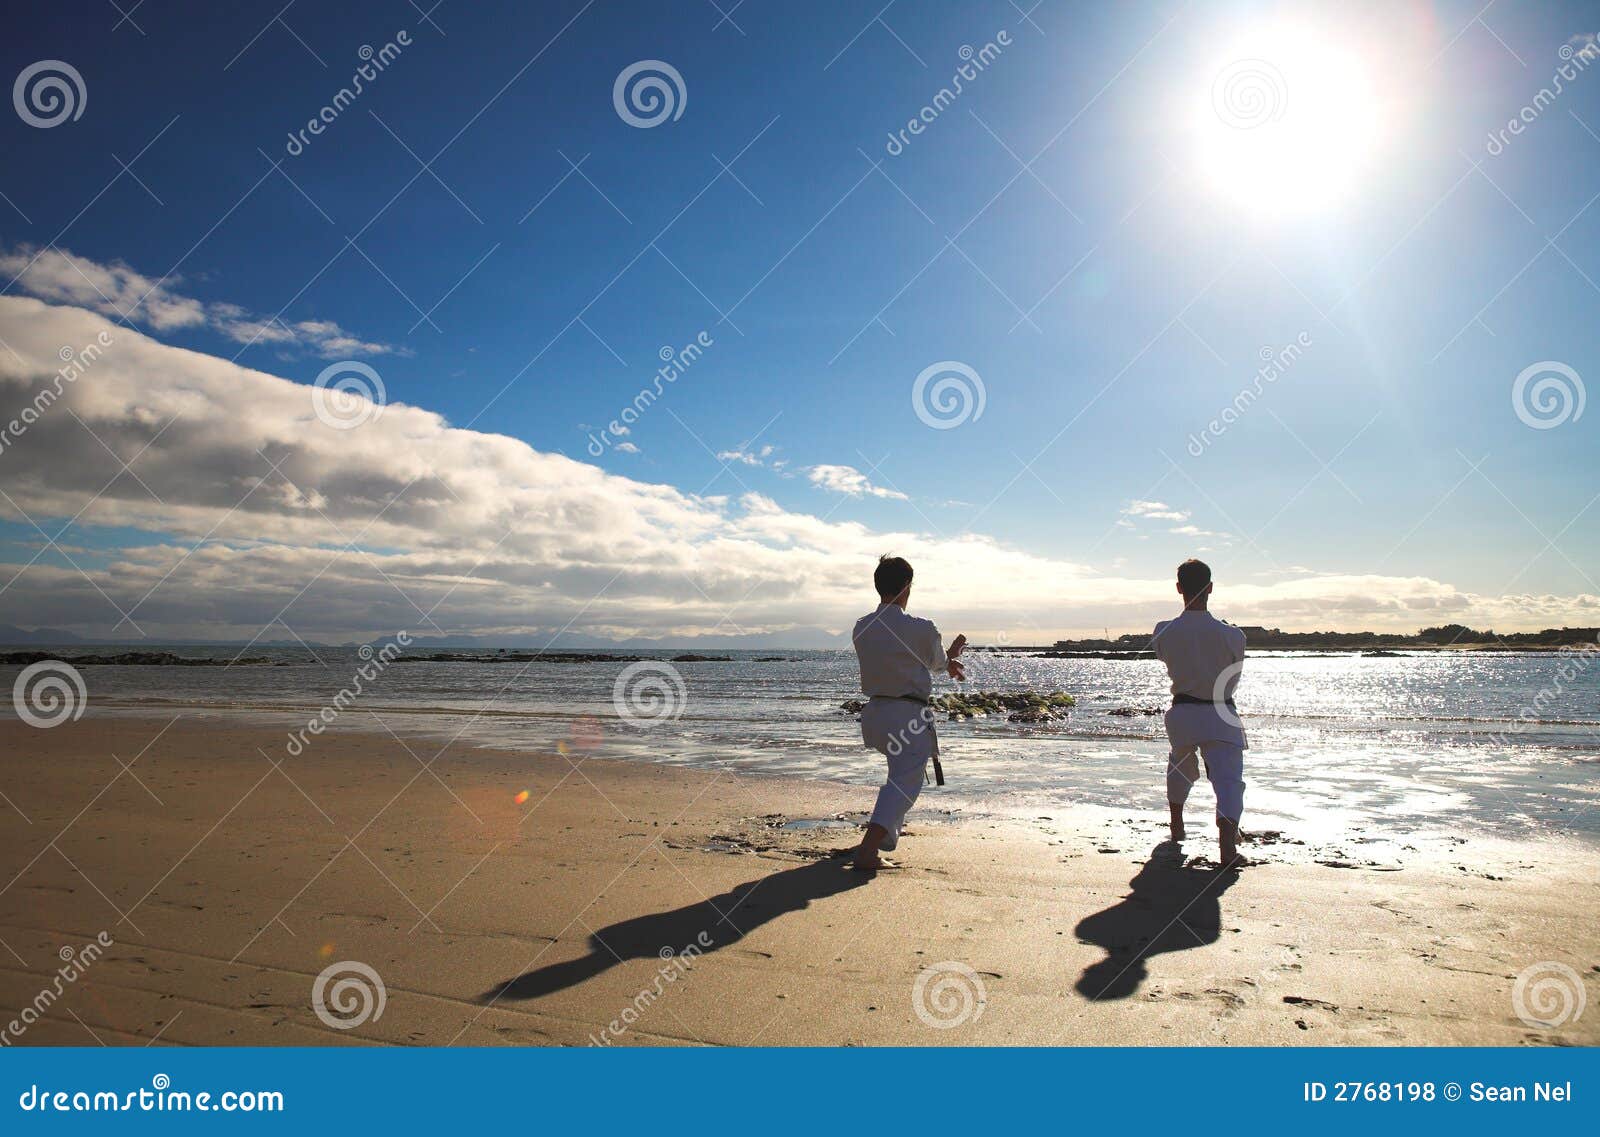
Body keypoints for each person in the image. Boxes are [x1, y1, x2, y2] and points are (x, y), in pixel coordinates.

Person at [849, 555, 966, 871]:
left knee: (898, 778)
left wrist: (945, 659)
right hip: (906, 715)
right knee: (904, 782)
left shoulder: (861, 626)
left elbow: (900, 655)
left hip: (875, 714)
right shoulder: (921, 627)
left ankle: (880, 839)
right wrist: (951, 657)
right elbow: (936, 663)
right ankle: (868, 849)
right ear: (907, 587)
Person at [1152, 558, 1248, 868]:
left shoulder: (1163, 631)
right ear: (1210, 588)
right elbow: (1233, 665)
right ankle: (1227, 847)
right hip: (1220, 712)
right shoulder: (1234, 635)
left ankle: (1177, 826)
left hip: (1183, 711)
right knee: (1228, 780)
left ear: (1179, 588)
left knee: (1179, 767)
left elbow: (1166, 654)